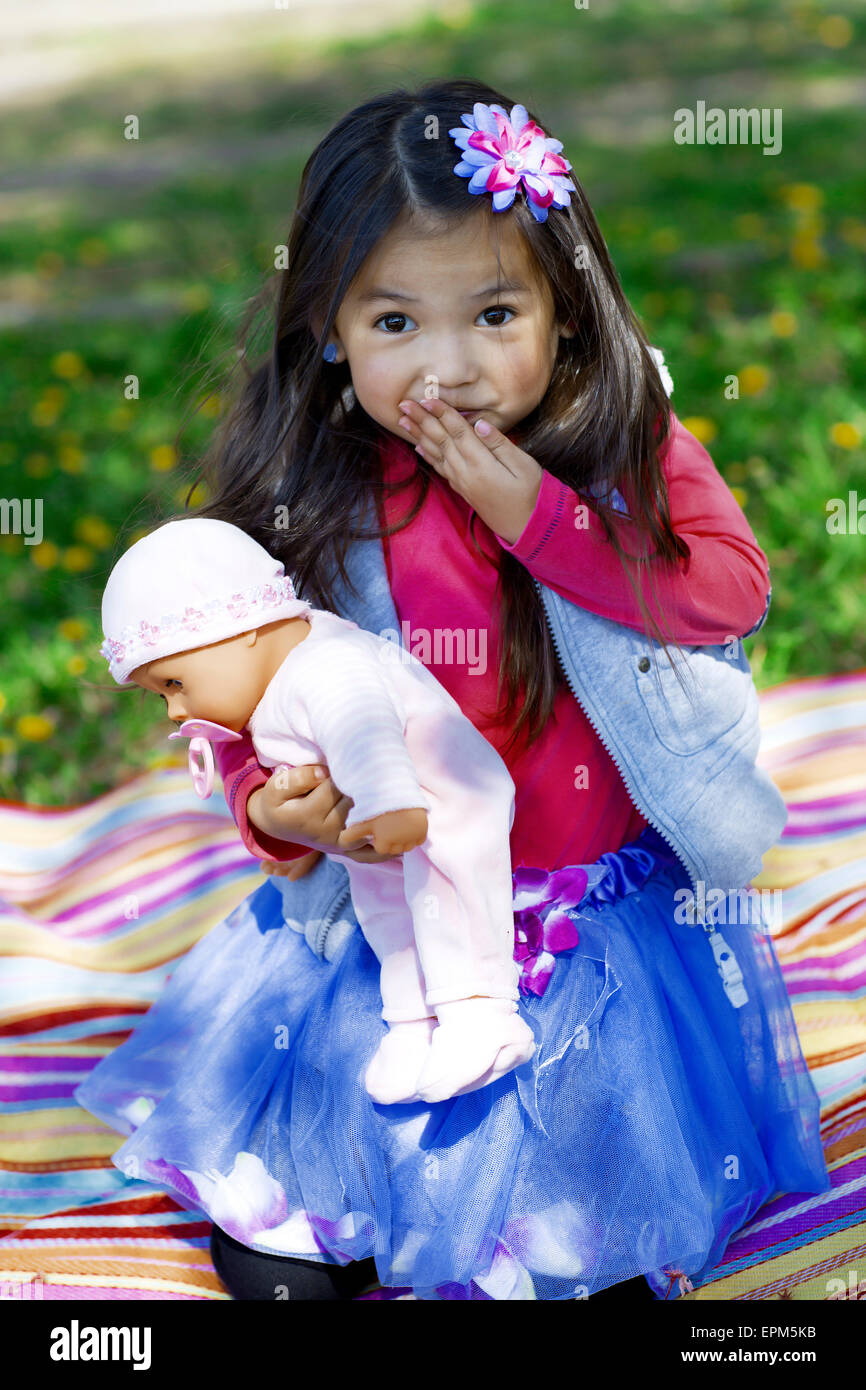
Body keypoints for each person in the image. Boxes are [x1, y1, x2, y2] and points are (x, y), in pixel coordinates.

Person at [74, 78, 830, 1302]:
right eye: (393, 325)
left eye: (492, 312)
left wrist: (540, 519)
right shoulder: (319, 494)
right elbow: (247, 696)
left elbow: (725, 591)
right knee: (285, 1267)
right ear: (327, 328)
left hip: (585, 935)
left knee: (573, 1248)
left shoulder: (626, 452)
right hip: (391, 927)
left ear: (564, 312)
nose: (450, 368)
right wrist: (276, 808)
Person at [98, 515, 537, 1107]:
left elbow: (364, 730)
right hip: (372, 831)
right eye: (162, 694)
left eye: (175, 682)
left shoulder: (324, 665)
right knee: (387, 910)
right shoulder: (266, 685)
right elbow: (241, 761)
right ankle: (412, 1019)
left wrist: (392, 804)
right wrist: (270, 815)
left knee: (452, 898)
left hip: (443, 804)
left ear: (242, 628)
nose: (175, 710)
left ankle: (480, 1014)